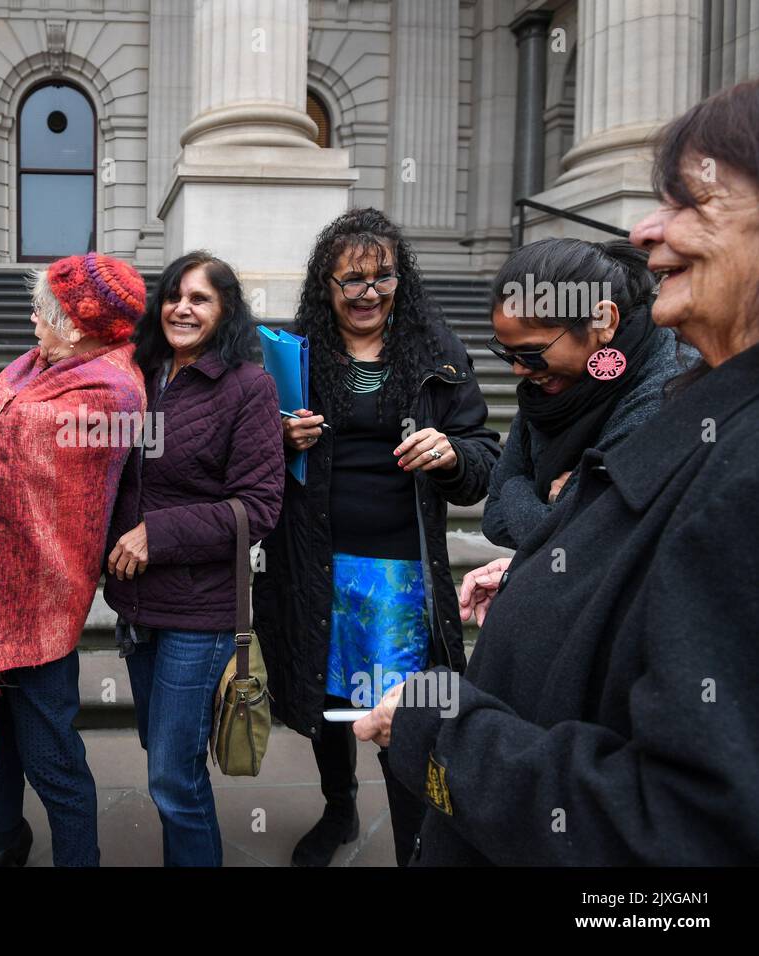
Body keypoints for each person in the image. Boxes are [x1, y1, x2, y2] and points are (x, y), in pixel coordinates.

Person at [356, 77, 759, 865]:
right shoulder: (707, 398)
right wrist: (542, 570)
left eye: (691, 203)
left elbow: (678, 833)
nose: (647, 229)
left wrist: (440, 735)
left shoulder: (721, 444)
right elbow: (511, 499)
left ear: (601, 327)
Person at [251, 207, 501, 867]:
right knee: (326, 699)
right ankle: (338, 810)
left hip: (400, 576)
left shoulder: (436, 349)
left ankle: (418, 842)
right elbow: (244, 454)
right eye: (350, 281)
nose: (367, 294)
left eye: (381, 278)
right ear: (325, 285)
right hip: (313, 564)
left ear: (401, 278)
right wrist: (276, 437)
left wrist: (451, 454)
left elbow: (485, 460)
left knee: (404, 717)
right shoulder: (294, 352)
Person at [0, 252, 148, 867]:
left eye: (44, 310)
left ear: (79, 323)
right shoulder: (39, 361)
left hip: (40, 600)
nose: (33, 319)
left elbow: (3, 441)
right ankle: (11, 838)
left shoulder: (112, 391)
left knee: (52, 757)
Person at [102, 251, 283, 866]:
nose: (182, 307)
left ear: (225, 309)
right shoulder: (137, 373)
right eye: (174, 295)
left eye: (200, 298)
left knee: (173, 779)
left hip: (199, 611)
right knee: (163, 756)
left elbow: (258, 507)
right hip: (136, 603)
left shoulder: (247, 388)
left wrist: (159, 532)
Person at [482, 238, 690, 548]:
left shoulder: (666, 386)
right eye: (507, 353)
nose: (519, 370)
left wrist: (513, 487)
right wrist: (551, 501)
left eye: (531, 352)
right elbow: (494, 521)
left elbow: (585, 541)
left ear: (604, 321)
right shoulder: (547, 390)